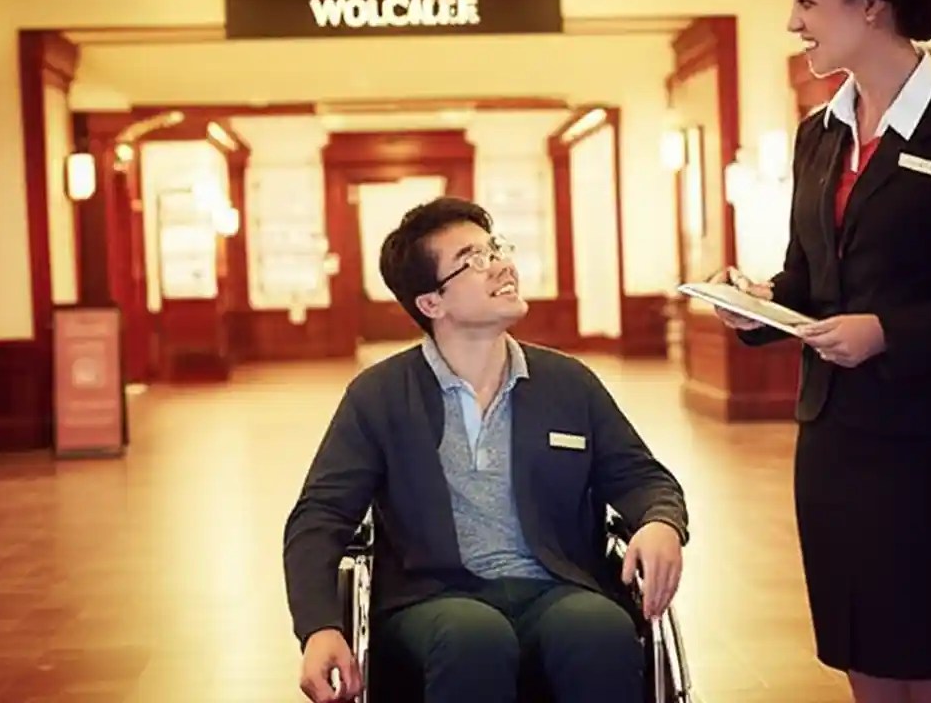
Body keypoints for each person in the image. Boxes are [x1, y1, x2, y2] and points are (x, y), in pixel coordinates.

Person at [712, 0, 931, 702]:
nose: (792, 21)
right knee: (862, 657)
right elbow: (810, 281)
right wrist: (758, 305)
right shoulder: (819, 135)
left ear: (872, 4)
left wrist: (890, 334)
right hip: (832, 443)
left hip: (930, 450)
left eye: (807, 0)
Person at [284, 196, 689, 703]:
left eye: (495, 248)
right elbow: (320, 516)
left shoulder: (567, 383)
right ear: (432, 303)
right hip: (432, 596)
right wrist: (319, 627)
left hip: (555, 586)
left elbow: (642, 477)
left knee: (599, 629)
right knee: (473, 637)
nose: (501, 264)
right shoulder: (381, 396)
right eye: (473, 259)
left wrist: (660, 521)